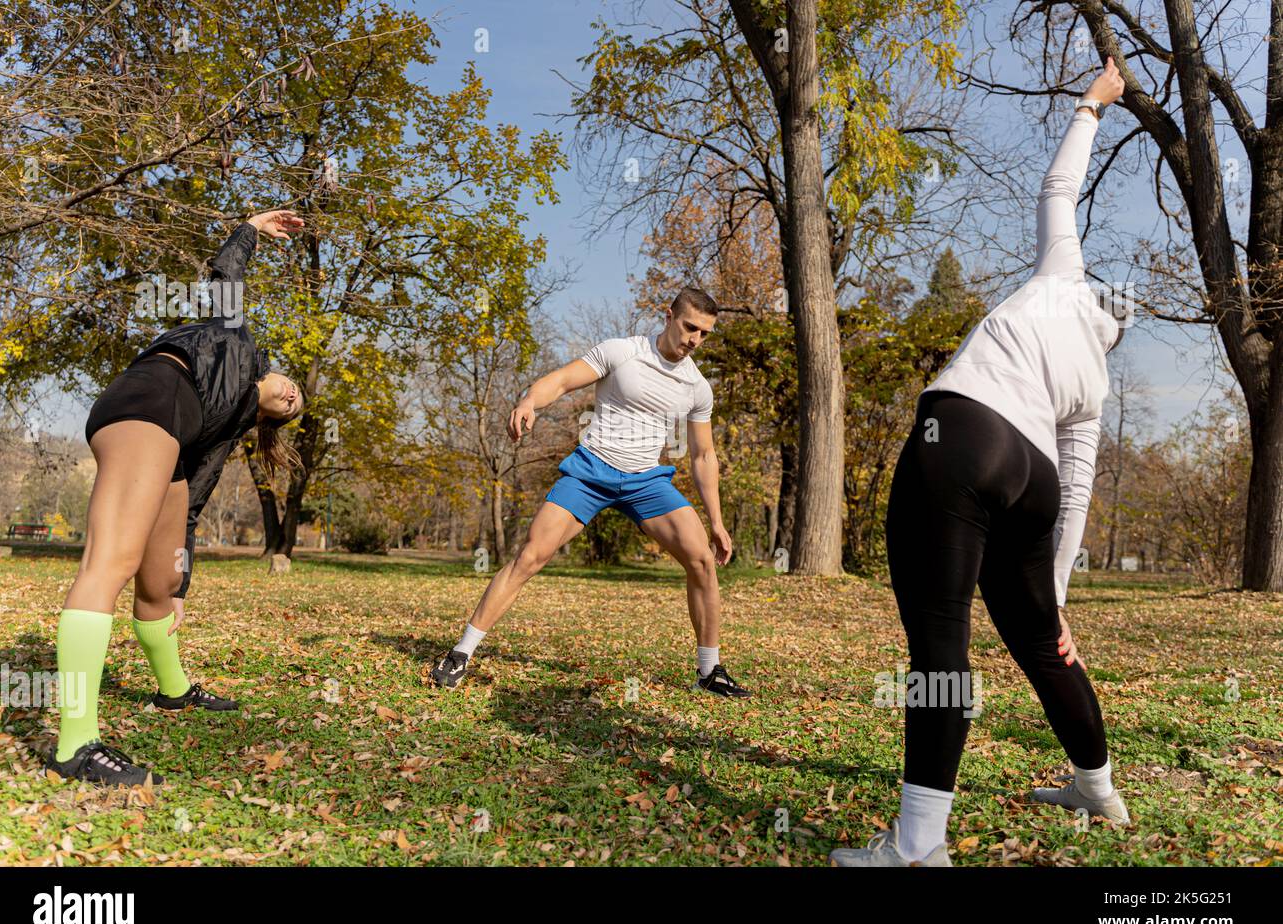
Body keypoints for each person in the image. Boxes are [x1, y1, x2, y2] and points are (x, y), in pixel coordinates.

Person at [831, 60, 1130, 866]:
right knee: (1040, 642)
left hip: (964, 439)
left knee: (940, 641)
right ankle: (1098, 787)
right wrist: (1056, 597)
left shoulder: (1064, 278)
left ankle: (919, 845)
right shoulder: (1095, 383)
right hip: (1033, 477)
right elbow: (1075, 497)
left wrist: (1091, 104)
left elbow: (1057, 190)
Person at [47, 210, 306, 787]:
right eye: (294, 390)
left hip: (175, 431)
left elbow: (190, 507)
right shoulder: (234, 336)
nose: (291, 397)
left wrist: (181, 583)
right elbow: (225, 279)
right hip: (153, 396)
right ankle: (74, 743)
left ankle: (174, 692)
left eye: (291, 408)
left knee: (158, 582)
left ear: (270, 418)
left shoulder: (225, 431)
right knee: (107, 565)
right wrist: (249, 230)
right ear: (277, 374)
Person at [430, 288, 752, 699]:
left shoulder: (696, 386)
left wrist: (718, 523)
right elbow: (562, 380)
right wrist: (531, 400)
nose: (694, 340)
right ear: (669, 315)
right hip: (591, 471)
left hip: (646, 482)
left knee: (702, 561)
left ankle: (710, 672)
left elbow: (704, 455)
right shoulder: (622, 352)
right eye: (690, 327)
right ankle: (462, 652)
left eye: (705, 334)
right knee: (530, 556)